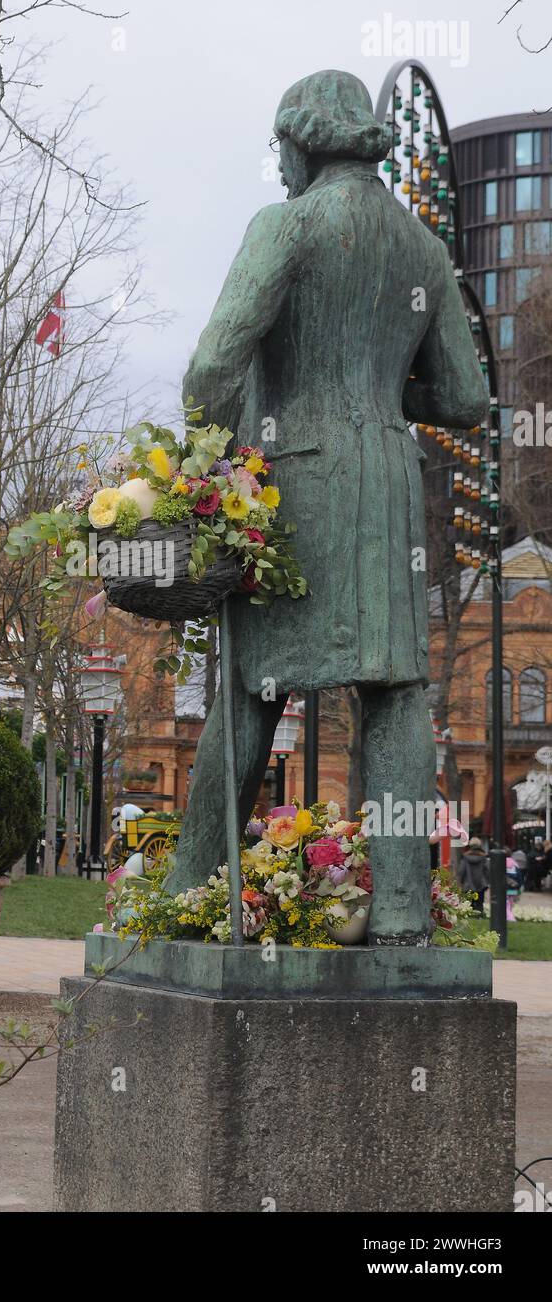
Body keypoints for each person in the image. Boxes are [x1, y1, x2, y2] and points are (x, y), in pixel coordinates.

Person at [165, 69, 488, 949]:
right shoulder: (423, 250)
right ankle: (398, 916)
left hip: (290, 483)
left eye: (281, 149)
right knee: (391, 695)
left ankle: (186, 896)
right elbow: (463, 400)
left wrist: (202, 469)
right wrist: (378, 395)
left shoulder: (286, 227)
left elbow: (211, 366)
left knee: (247, 692)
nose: (277, 167)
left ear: (305, 144)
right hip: (386, 481)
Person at [458, 838, 490, 915]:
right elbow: (487, 870)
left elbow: (462, 870)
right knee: (480, 902)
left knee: (468, 902)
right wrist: (487, 881)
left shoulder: (465, 856)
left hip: (468, 883)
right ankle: (479, 915)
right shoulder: (483, 857)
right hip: (481, 883)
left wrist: (461, 881)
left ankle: (469, 915)